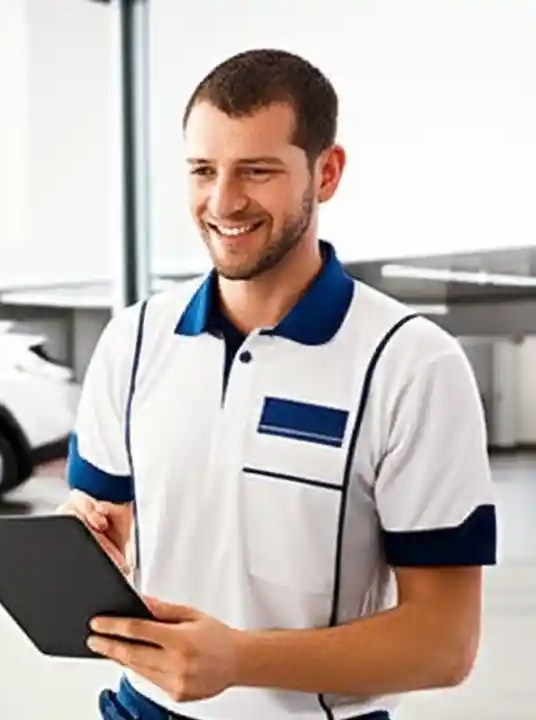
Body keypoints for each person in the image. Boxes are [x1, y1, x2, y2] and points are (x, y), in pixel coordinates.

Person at [62, 49, 496, 720]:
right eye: (203, 171)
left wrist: (240, 659)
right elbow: (104, 521)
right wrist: (84, 539)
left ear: (327, 173)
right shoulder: (132, 341)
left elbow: (445, 643)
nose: (224, 201)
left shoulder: (411, 366)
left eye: (256, 172)